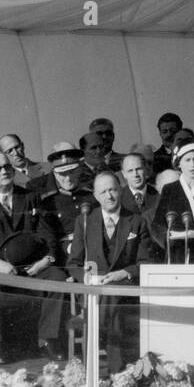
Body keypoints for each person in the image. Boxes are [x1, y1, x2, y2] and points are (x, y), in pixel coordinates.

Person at [0, 150, 67, 355]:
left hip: (36, 265)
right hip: (1, 268)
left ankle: (50, 341)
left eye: (7, 167)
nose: (4, 172)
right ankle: (2, 347)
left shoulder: (31, 197)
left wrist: (47, 259)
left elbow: (48, 233)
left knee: (58, 278)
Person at [67, 170, 158, 370]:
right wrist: (89, 278)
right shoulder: (84, 222)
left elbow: (147, 262)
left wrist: (124, 273)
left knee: (113, 299)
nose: (109, 196)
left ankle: (90, 367)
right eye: (104, 192)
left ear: (120, 190)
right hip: (94, 290)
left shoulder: (136, 221)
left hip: (125, 289)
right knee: (112, 308)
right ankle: (117, 373)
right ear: (96, 196)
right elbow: (73, 263)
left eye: (113, 190)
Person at [33, 144, 94, 264]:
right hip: (65, 258)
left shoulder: (92, 195)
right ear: (55, 174)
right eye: (62, 174)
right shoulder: (48, 202)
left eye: (72, 172)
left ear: (80, 169)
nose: (68, 178)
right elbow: (49, 239)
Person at [118, 152, 159, 221]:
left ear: (145, 169)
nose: (135, 174)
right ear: (124, 174)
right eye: (130, 171)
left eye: (138, 169)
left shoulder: (158, 195)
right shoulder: (118, 198)